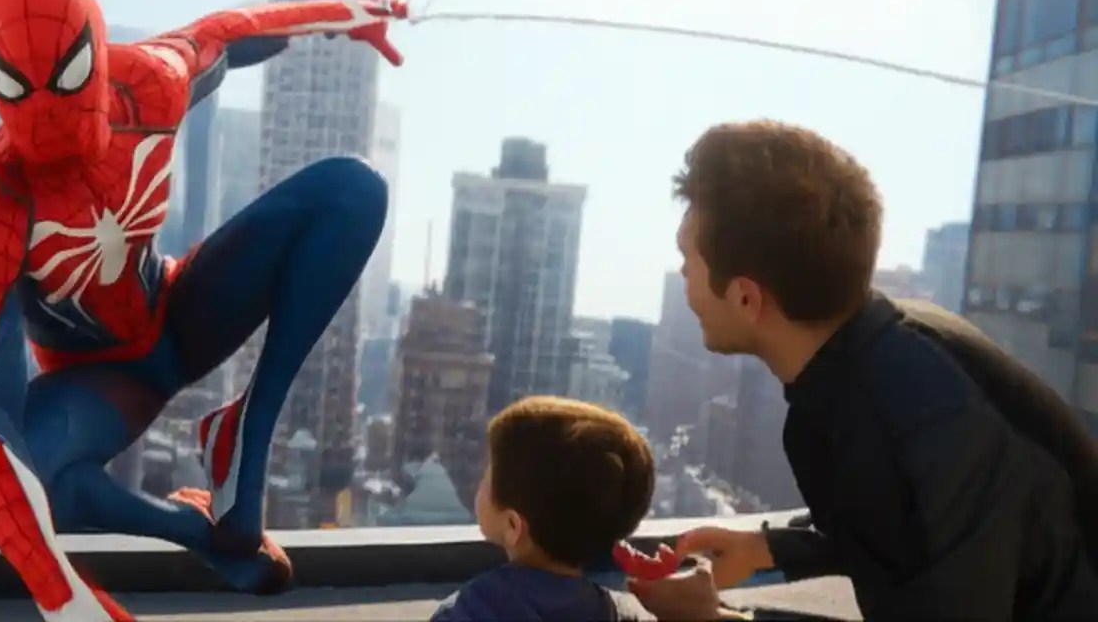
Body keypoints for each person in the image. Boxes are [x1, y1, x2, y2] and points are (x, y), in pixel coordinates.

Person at [0, 0, 407, 621]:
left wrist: (351, 13)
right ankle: (194, 530)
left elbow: (231, 33)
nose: (50, 117)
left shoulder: (148, 85)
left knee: (354, 191)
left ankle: (246, 429)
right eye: (19, 88)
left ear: (95, 56)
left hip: (180, 312)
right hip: (101, 382)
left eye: (68, 77)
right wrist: (65, 600)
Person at [632, 120, 1098, 619]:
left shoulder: (924, 415)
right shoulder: (879, 364)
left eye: (688, 258)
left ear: (746, 297)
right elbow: (902, 528)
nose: (683, 275)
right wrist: (767, 549)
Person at [433, 395, 737, 621]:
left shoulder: (466, 613)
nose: (479, 483)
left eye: (487, 474)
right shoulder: (625, 615)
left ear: (513, 526)